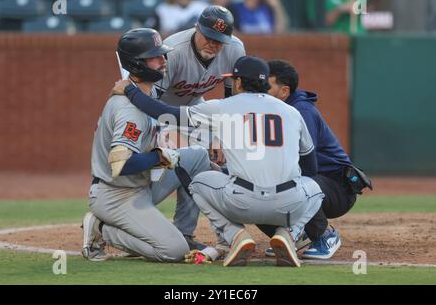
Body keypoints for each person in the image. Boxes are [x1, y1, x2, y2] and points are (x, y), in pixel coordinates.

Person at [111, 56, 325, 267]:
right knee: (315, 188)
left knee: (198, 182)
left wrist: (130, 90)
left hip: (241, 203)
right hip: (287, 204)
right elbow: (311, 167)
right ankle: (289, 234)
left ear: (239, 82)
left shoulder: (223, 107)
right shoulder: (292, 112)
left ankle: (236, 236)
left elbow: (165, 113)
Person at [81, 28, 210, 262]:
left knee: (197, 157)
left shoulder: (146, 95)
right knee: (174, 252)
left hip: (141, 184)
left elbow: (171, 115)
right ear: (138, 64)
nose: (163, 61)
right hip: (116, 193)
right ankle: (102, 229)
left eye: (163, 55)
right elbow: (120, 164)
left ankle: (184, 232)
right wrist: (159, 157)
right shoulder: (129, 110)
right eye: (156, 57)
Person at [260, 59, 372, 259]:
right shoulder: (270, 110)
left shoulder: (301, 111)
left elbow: (299, 159)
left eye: (266, 85)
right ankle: (297, 235)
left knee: (285, 181)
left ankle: (324, 235)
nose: (260, 89)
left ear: (284, 91)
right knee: (254, 188)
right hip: (313, 180)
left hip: (337, 187)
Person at [153, 5, 246, 106]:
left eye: (219, 41)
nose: (212, 44)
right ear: (197, 28)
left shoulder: (235, 49)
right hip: (162, 107)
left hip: (195, 107)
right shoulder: (172, 50)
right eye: (208, 37)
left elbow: (233, 97)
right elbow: (153, 96)